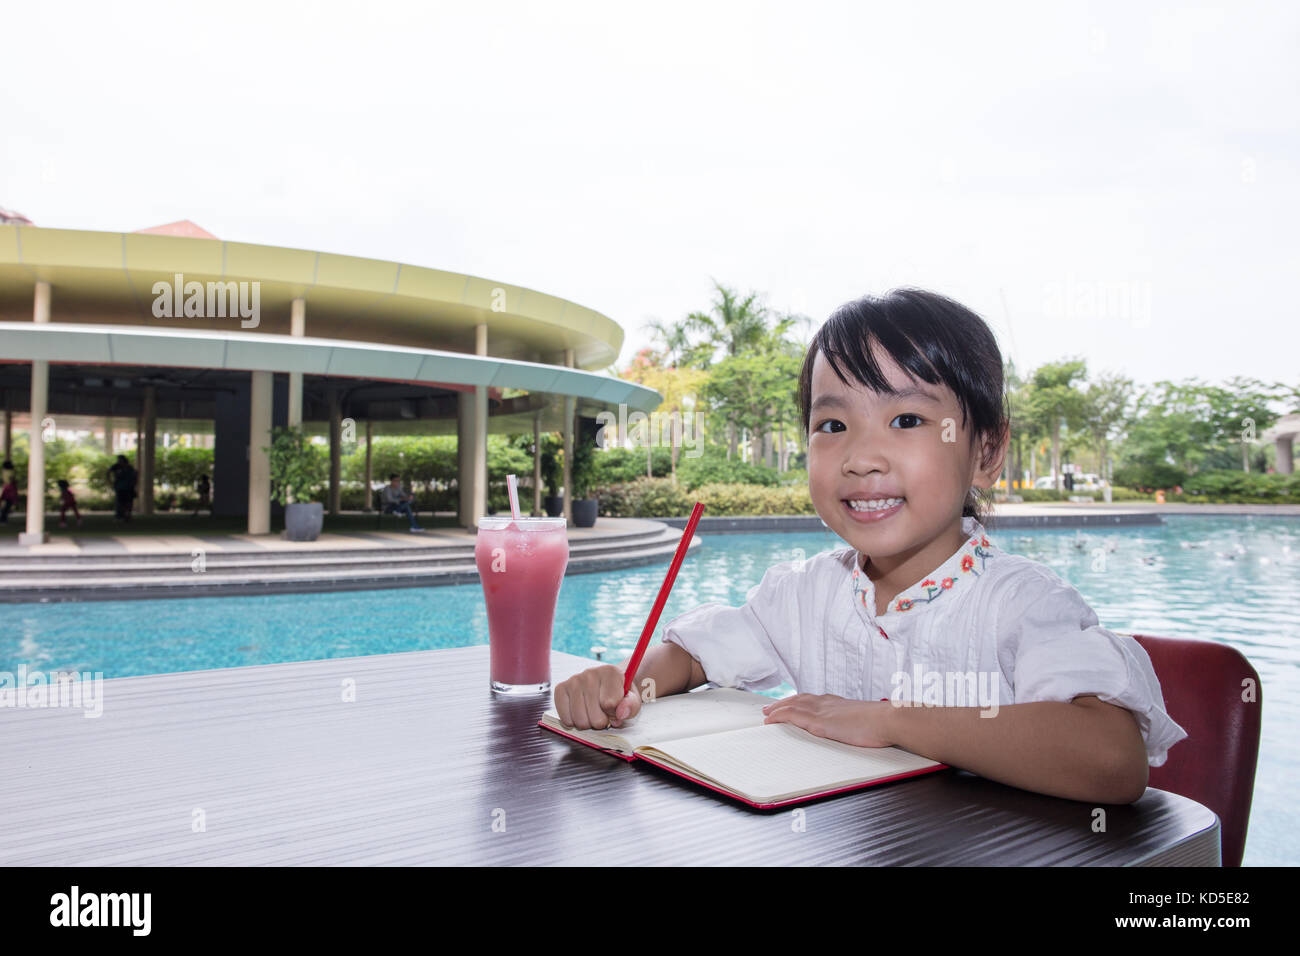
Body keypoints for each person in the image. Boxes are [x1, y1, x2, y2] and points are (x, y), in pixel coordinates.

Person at [553, 288, 1187, 805]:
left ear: (987, 452)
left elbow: (1111, 759)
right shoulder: (805, 592)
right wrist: (630, 684)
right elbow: (694, 656)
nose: (859, 457)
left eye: (907, 420)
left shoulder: (1020, 604)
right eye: (832, 425)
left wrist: (888, 721)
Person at [108, 454, 137, 521]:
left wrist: (134, 484)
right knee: (120, 502)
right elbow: (108, 471)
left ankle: (127, 514)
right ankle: (120, 515)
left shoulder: (129, 468)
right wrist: (110, 481)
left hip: (128, 488)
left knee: (128, 502)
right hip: (120, 488)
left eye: (120, 460)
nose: (119, 461)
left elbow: (135, 475)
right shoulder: (116, 467)